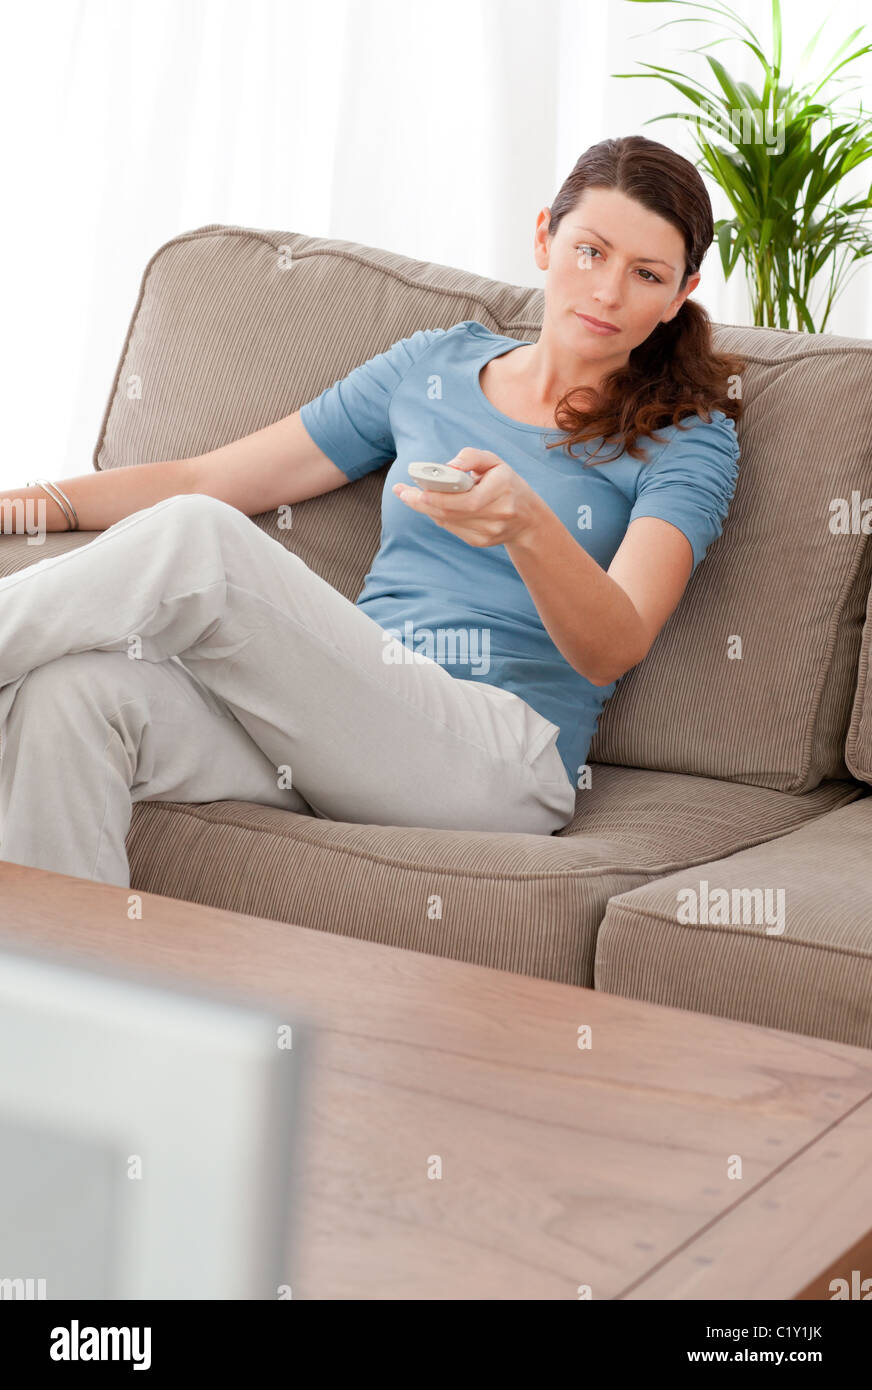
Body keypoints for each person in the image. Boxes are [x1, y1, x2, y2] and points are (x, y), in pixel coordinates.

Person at [0, 134, 745, 888]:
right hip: (349, 718)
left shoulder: (689, 437)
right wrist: (36, 507)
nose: (608, 292)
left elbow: (614, 644)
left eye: (646, 274)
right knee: (73, 698)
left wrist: (527, 526)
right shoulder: (436, 365)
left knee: (204, 540)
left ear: (679, 294)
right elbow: (209, 476)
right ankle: (59, 996)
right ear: (545, 238)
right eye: (591, 251)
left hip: (497, 758)